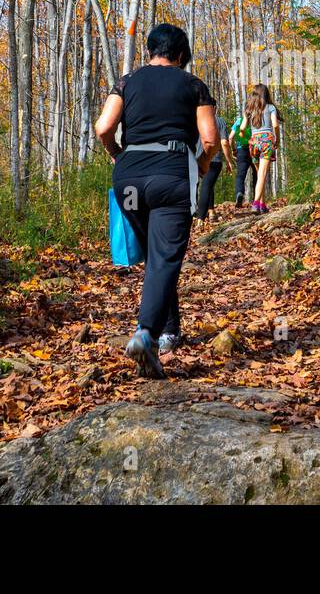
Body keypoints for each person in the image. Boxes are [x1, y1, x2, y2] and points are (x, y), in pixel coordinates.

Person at [94, 24, 218, 378]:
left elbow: (104, 127)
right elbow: (209, 139)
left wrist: (117, 153)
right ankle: (146, 333)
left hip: (129, 179)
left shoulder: (127, 81)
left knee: (155, 255)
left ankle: (169, 330)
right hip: (171, 175)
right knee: (164, 256)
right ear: (181, 55)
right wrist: (201, 166)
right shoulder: (193, 85)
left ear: (151, 50)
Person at [244, 83, 281, 213]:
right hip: (266, 140)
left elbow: (243, 128)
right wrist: (277, 139)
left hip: (253, 142)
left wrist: (243, 135)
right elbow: (275, 125)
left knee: (260, 174)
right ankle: (255, 203)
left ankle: (262, 205)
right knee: (262, 174)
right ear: (266, 94)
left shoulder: (250, 109)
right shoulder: (270, 107)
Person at [194, 114, 232, 222]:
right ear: (214, 108)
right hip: (214, 159)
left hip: (196, 157)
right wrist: (229, 161)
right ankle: (203, 216)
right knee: (207, 185)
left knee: (197, 185)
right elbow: (224, 142)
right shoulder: (220, 121)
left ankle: (202, 212)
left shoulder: (196, 119)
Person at [228, 110, 254, 208]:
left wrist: (233, 150)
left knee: (240, 175)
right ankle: (257, 200)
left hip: (241, 150)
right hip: (254, 149)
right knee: (257, 173)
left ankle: (239, 193)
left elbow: (230, 138)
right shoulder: (255, 121)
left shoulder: (239, 121)